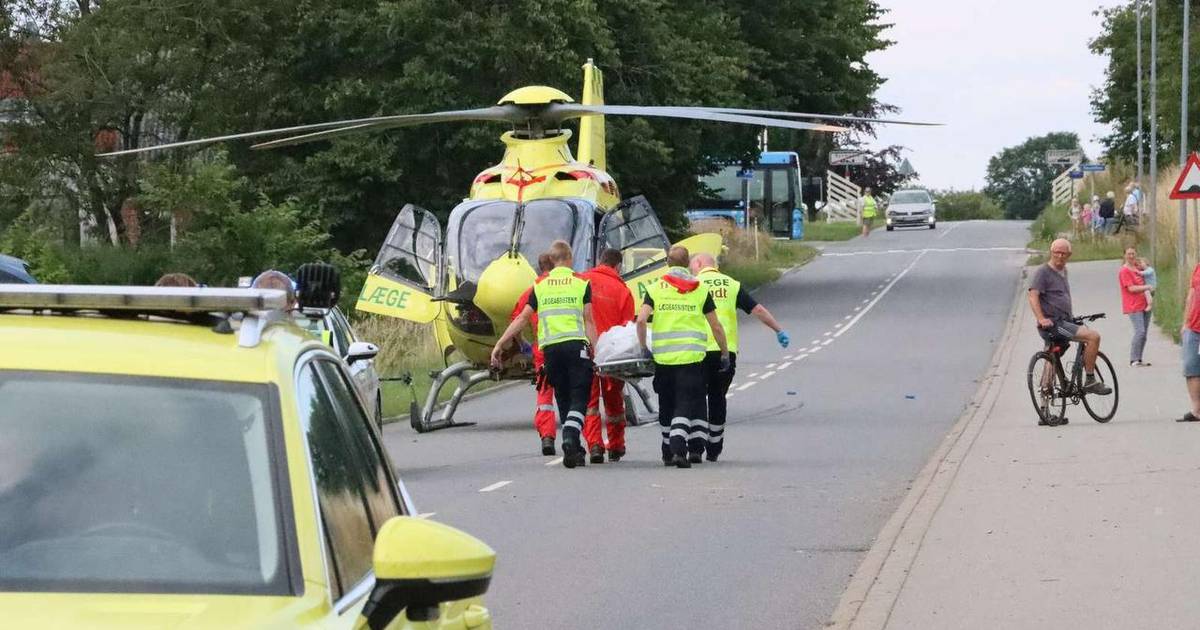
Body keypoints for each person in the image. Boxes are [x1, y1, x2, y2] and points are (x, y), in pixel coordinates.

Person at [493, 241, 597, 468]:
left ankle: (575, 449)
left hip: (550, 350)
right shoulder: (581, 283)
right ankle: (570, 435)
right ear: (569, 257)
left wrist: (501, 343)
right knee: (580, 395)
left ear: (552, 260)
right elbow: (589, 320)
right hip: (575, 346)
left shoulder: (540, 286)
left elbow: (521, 318)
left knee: (562, 395)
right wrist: (595, 349)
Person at [689, 252, 789, 462]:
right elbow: (757, 309)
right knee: (717, 397)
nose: (692, 270)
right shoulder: (731, 285)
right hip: (725, 352)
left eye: (692, 266)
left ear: (698, 264)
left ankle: (696, 448)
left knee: (696, 397)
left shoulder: (692, 284)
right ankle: (714, 448)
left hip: (696, 350)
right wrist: (778, 330)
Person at [636, 246, 728, 468]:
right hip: (691, 359)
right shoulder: (699, 290)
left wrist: (642, 348)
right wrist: (724, 352)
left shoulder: (655, 288)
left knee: (667, 404)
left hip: (664, 359)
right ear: (688, 263)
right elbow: (715, 325)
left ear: (667, 263)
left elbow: (640, 320)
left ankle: (667, 451)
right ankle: (679, 447)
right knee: (685, 403)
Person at [1028, 238, 1111, 426]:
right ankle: (1090, 379)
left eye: (1063, 253)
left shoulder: (1063, 271)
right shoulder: (1043, 272)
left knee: (1051, 358)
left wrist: (1071, 317)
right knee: (1093, 337)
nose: (1059, 256)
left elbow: (1061, 297)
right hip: (1054, 323)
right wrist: (1041, 318)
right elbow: (1033, 296)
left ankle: (1045, 408)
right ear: (1051, 252)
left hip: (1063, 321)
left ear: (1069, 255)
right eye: (1056, 252)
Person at [581, 248, 636, 463]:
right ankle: (616, 445)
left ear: (600, 261)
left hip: (587, 350)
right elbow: (627, 327)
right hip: (613, 354)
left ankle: (594, 445)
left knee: (590, 402)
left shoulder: (582, 280)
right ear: (618, 266)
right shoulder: (623, 291)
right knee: (614, 402)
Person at [510, 253, 558, 455]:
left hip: (543, 349)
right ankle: (576, 438)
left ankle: (547, 436)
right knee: (573, 393)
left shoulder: (532, 291)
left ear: (539, 268)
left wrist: (524, 346)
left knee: (545, 396)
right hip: (571, 346)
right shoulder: (570, 285)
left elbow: (516, 321)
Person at [1119, 247, 1153, 367]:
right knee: (1140, 331)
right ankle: (1133, 359)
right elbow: (1131, 288)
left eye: (1133, 253)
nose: (1131, 256)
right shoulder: (1124, 271)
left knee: (1144, 334)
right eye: (1129, 254)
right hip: (1133, 305)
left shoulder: (1138, 268)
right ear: (1124, 255)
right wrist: (1147, 287)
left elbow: (1149, 272)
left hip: (1145, 303)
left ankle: (1139, 358)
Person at [1178, 261, 1200, 422]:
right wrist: (1185, 322)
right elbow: (1191, 294)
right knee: (1190, 367)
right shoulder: (1198, 268)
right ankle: (1196, 410)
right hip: (1193, 326)